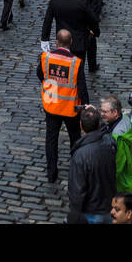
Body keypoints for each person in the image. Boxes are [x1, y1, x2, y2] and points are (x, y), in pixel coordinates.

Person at [38, 27, 89, 183]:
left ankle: (51, 172)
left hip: (51, 105)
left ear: (57, 41)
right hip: (70, 109)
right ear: (71, 43)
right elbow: (81, 86)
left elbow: (40, 75)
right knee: (75, 138)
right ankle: (76, 169)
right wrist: (86, 106)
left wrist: (51, 86)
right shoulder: (76, 62)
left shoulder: (46, 57)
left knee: (51, 139)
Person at [67, 104, 116, 224]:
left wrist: (74, 216)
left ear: (80, 126)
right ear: (99, 124)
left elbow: (77, 190)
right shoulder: (109, 142)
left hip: (90, 212)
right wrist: (95, 113)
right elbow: (105, 131)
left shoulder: (80, 155)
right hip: (109, 208)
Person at [42, 0, 100, 64]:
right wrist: (96, 32)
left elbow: (47, 21)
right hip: (79, 43)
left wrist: (45, 39)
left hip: (62, 41)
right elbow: (93, 20)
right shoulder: (83, 1)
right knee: (77, 69)